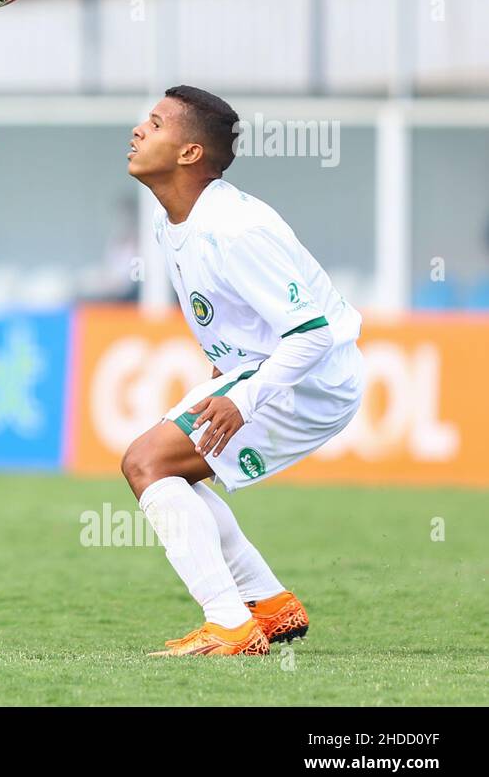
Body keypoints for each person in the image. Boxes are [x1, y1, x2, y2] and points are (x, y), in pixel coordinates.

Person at [123, 85, 364, 656]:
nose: (137, 131)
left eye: (154, 124)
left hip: (308, 379)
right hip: (276, 371)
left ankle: (231, 625)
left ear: (189, 154)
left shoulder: (234, 228)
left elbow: (312, 334)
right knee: (164, 471)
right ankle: (268, 604)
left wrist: (243, 398)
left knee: (146, 461)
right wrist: (223, 371)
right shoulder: (174, 221)